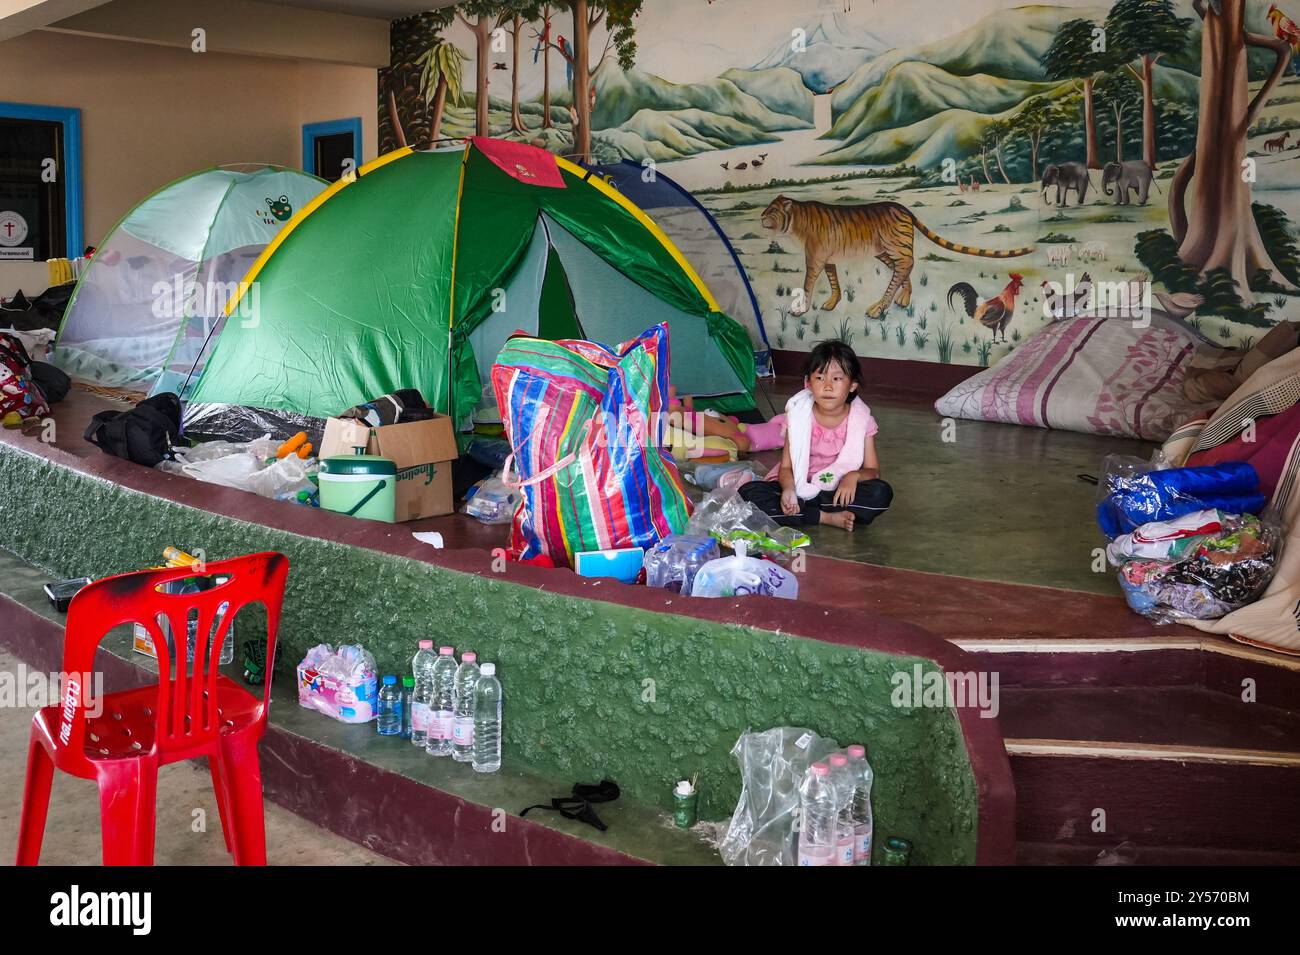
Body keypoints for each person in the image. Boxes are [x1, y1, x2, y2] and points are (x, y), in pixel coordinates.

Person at [738, 340, 892, 531]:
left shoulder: (862, 421)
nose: (827, 387)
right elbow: (786, 467)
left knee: (880, 493)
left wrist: (853, 476)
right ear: (808, 383)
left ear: (852, 385)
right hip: (798, 487)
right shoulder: (798, 416)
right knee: (748, 494)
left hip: (835, 490)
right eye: (820, 378)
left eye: (837, 379)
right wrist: (788, 490)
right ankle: (823, 517)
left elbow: (873, 471)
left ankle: (800, 513)